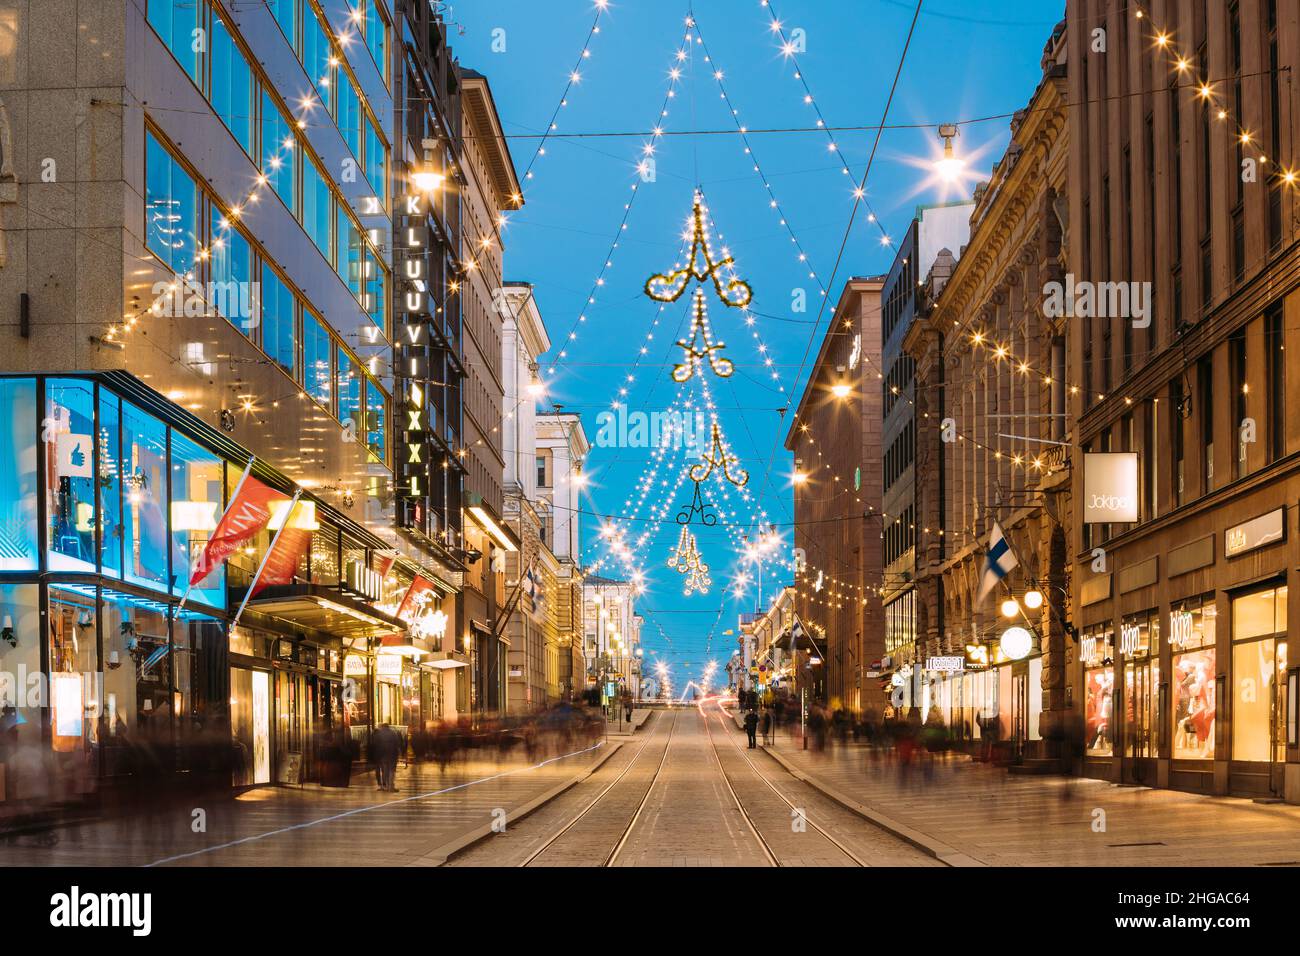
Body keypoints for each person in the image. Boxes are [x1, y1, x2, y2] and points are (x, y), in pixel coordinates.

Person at [371, 723, 402, 792]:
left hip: (383, 755)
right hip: (392, 754)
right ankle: (391, 786)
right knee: (391, 770)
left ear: (382, 727)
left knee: (385, 770)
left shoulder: (379, 734)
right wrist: (399, 753)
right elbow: (397, 744)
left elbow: (376, 745)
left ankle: (386, 786)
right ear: (388, 726)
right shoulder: (393, 733)